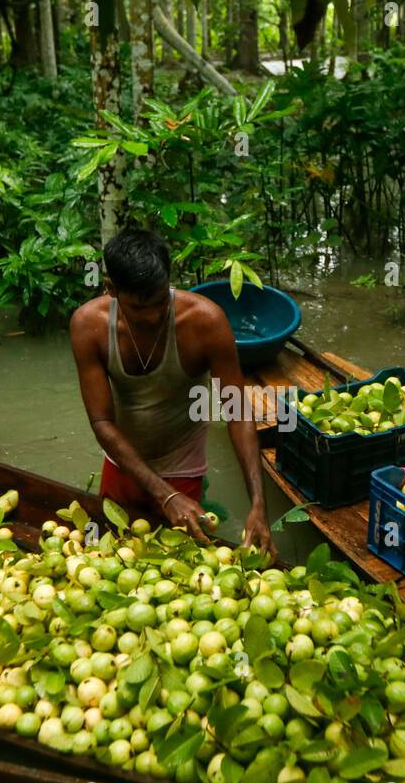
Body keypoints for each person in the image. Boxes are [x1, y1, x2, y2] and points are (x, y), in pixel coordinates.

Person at [70, 227, 274, 553]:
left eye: (159, 302)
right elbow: (101, 422)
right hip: (123, 466)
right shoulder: (88, 326)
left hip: (183, 468)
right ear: (111, 289)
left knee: (180, 559)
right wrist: (163, 494)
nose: (152, 317)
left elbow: (236, 411)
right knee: (112, 554)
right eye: (138, 308)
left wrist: (258, 504)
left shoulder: (206, 322)